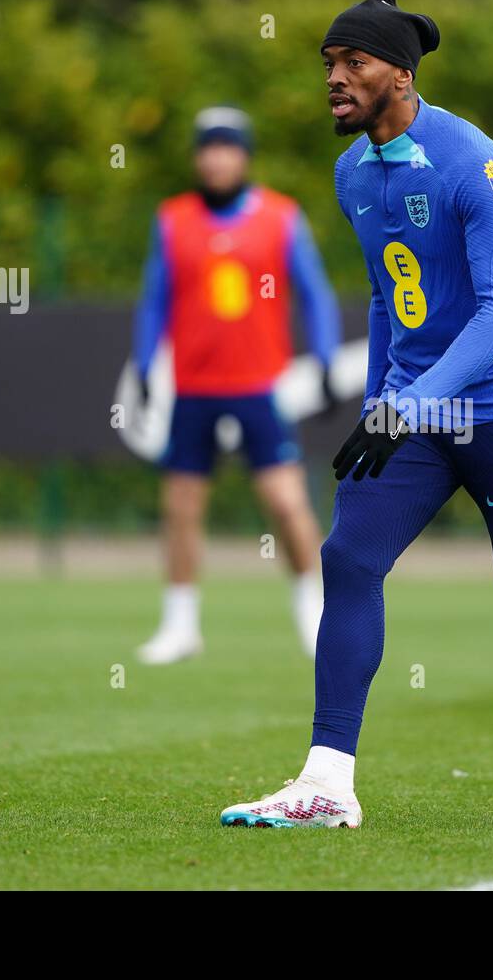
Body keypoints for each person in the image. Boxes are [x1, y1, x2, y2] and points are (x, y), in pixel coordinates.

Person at [220, 0, 493, 829]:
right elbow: (389, 299)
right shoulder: (352, 171)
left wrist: (412, 401)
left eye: (355, 63)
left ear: (403, 74)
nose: (336, 79)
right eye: (329, 64)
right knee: (348, 560)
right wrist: (387, 399)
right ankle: (328, 782)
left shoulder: (475, 163)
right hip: (415, 413)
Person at [133, 105, 341, 663]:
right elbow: (155, 299)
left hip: (259, 386)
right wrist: (144, 365)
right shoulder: (172, 219)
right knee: (180, 505)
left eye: (227, 147)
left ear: (244, 155)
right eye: (207, 148)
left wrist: (322, 359)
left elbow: (315, 292)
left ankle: (313, 614)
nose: (216, 158)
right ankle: (180, 625)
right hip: (194, 387)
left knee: (287, 502)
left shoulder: (280, 216)